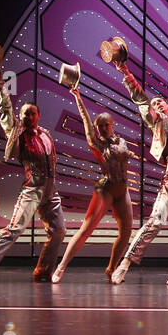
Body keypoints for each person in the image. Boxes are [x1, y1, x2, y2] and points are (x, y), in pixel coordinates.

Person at [108, 60, 168, 284]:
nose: (158, 104)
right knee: (156, 221)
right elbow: (141, 99)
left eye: (161, 102)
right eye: (155, 103)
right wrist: (127, 74)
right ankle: (125, 263)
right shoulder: (159, 122)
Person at [0, 72, 67, 282]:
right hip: (32, 189)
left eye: (32, 113)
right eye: (24, 114)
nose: (28, 117)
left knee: (59, 231)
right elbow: (5, 110)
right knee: (14, 228)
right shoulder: (18, 134)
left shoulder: (46, 134)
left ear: (38, 115)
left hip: (51, 190)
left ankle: (43, 270)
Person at [51, 84, 133, 283]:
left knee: (126, 232)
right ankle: (61, 267)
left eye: (107, 124)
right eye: (100, 126)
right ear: (97, 129)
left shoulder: (121, 141)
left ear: (113, 125)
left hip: (122, 189)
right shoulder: (97, 143)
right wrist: (78, 97)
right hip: (106, 189)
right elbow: (87, 122)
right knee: (86, 229)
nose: (104, 128)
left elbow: (123, 153)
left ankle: (112, 268)